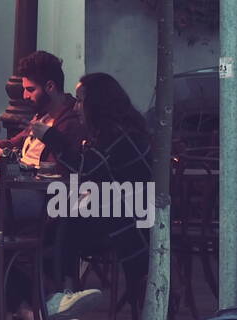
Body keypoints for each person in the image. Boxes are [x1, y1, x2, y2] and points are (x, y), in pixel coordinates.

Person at [0, 51, 100, 320]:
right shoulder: (42, 115)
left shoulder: (67, 122)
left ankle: (28, 305)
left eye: (30, 89)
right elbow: (16, 144)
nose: (25, 96)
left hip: (48, 201)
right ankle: (37, 309)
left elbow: (56, 167)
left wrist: (6, 159)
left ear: (50, 87)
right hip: (23, 194)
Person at [33, 72, 153, 304]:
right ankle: (60, 290)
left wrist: (51, 137)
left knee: (62, 221)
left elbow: (85, 168)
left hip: (131, 219)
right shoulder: (114, 130)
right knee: (60, 219)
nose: (76, 107)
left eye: (80, 100)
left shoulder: (118, 135)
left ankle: (61, 293)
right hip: (118, 210)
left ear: (96, 104)